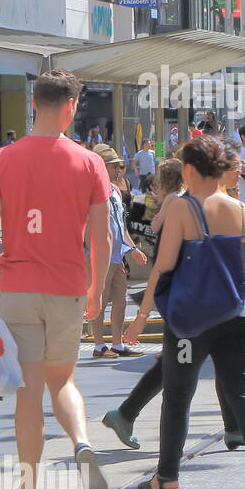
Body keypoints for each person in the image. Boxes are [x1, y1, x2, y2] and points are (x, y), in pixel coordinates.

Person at [124, 136, 245, 489]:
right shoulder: (243, 211)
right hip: (238, 318)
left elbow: (163, 265)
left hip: (190, 322)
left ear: (188, 170)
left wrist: (141, 318)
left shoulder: (181, 209)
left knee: (177, 395)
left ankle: (167, 479)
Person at [0, 70, 111, 489]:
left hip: (18, 288)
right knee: (64, 380)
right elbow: (102, 238)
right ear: (71, 107)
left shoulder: (0, 161)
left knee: (28, 391)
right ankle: (81, 443)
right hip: (68, 287)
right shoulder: (90, 162)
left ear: (33, 104)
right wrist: (95, 287)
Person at [104, 153, 244, 452]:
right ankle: (134, 420)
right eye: (231, 168)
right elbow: (162, 257)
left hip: (189, 296)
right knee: (187, 370)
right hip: (185, 297)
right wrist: (142, 316)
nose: (236, 172)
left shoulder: (190, 201)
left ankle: (127, 414)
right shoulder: (182, 202)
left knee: (182, 364)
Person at [89, 145, 149, 359]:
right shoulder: (90, 189)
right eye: (115, 166)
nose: (119, 170)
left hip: (117, 254)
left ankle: (117, 344)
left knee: (120, 300)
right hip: (98, 256)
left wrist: (132, 248)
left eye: (120, 166)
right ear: (102, 165)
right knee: (99, 301)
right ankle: (98, 345)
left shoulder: (114, 191)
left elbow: (120, 225)